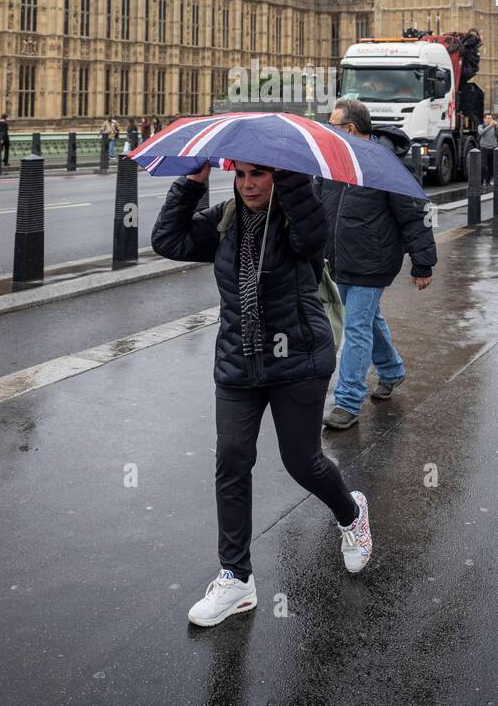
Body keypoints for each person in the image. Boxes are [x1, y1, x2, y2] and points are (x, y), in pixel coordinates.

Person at [151, 158, 372, 627]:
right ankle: (236, 578)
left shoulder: (297, 219)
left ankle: (351, 513)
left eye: (260, 174)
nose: (249, 184)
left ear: (279, 177)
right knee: (231, 460)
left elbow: (313, 240)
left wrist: (290, 175)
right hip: (238, 361)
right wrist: (192, 183)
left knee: (302, 462)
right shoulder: (224, 219)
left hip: (298, 359)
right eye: (242, 174)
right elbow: (167, 240)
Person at [317, 98, 437, 429]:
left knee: (355, 326)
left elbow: (414, 215)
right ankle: (392, 370)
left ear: (350, 129)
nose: (329, 130)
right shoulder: (335, 161)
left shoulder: (386, 164)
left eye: (333, 125)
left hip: (373, 260)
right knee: (367, 320)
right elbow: (318, 206)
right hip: (340, 258)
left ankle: (347, 402)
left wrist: (422, 263)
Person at [478, 112, 498, 186]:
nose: (489, 120)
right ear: (484, 119)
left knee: (491, 166)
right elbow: (480, 133)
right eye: (488, 118)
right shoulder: (481, 126)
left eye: (491, 118)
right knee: (483, 166)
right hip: (484, 148)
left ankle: (488, 182)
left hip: (493, 148)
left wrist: (497, 127)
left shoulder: (494, 127)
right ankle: (480, 182)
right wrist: (489, 126)